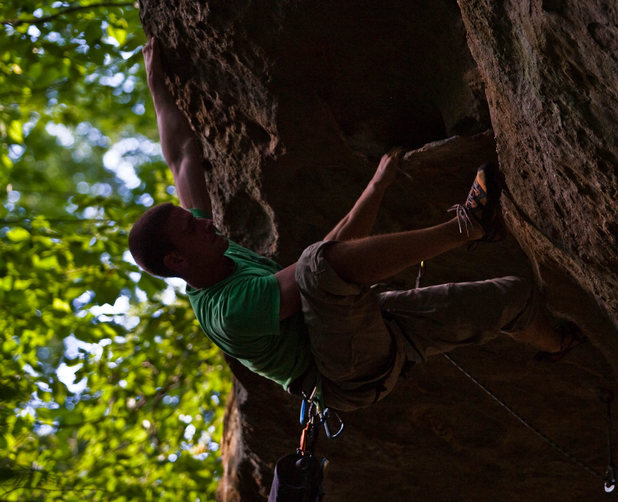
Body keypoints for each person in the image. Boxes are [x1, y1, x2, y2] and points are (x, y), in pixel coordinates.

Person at [129, 38, 582, 411]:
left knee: (511, 297)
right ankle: (469, 227)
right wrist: (377, 185)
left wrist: (156, 86)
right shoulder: (231, 311)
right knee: (314, 266)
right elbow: (324, 267)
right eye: (192, 228)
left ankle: (558, 343)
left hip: (362, 329)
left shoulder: (205, 250)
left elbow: (182, 156)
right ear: (177, 259)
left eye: (194, 218)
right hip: (343, 372)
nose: (204, 224)